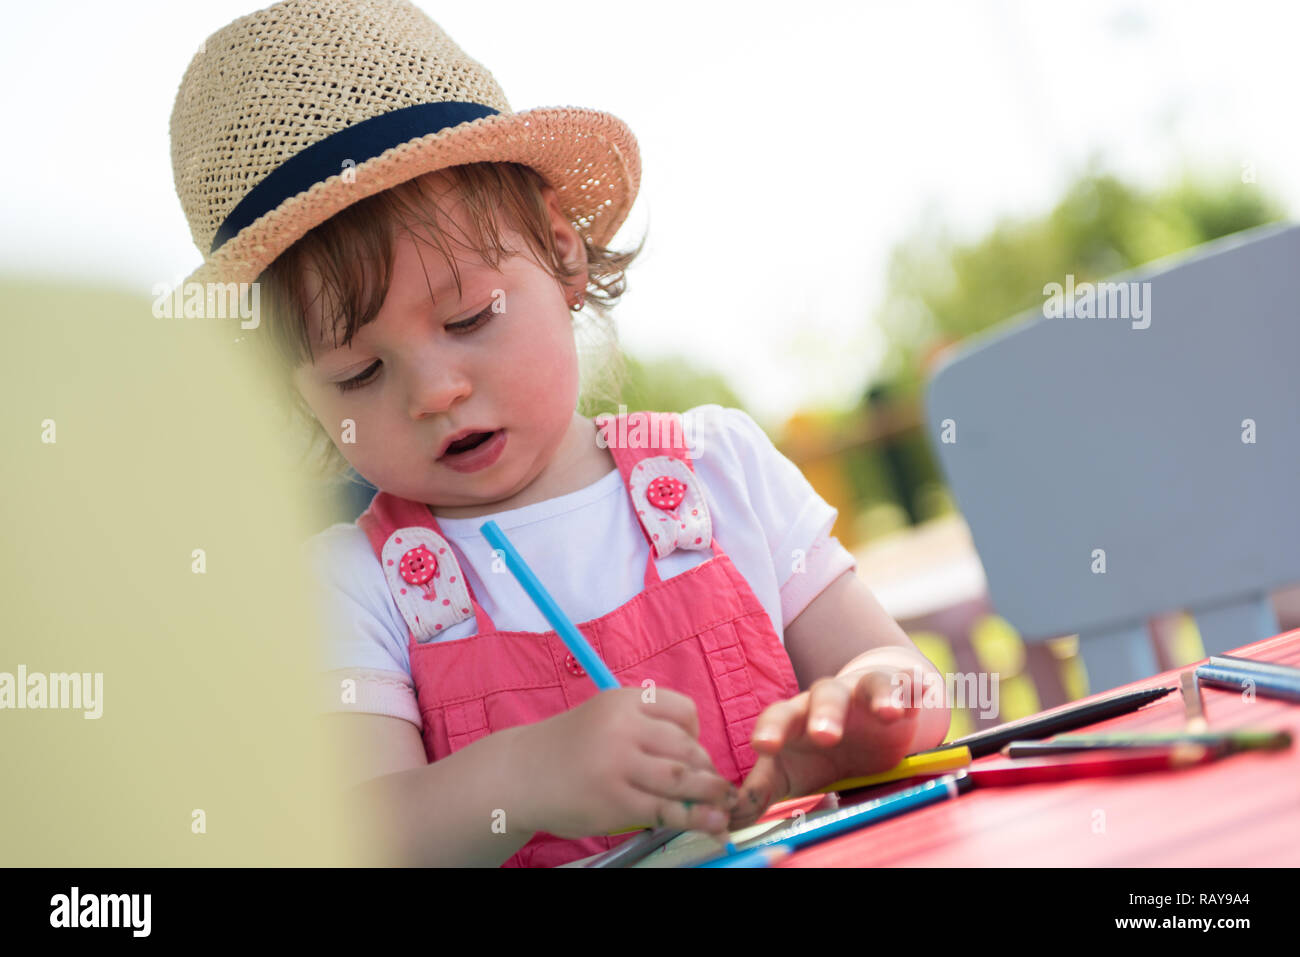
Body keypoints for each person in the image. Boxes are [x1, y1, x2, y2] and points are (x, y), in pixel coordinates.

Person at [169, 0, 951, 867]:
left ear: (562, 254)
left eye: (469, 317)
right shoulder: (358, 587)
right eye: (360, 373)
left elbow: (907, 681)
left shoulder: (719, 469)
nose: (435, 390)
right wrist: (520, 777)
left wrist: (864, 711)